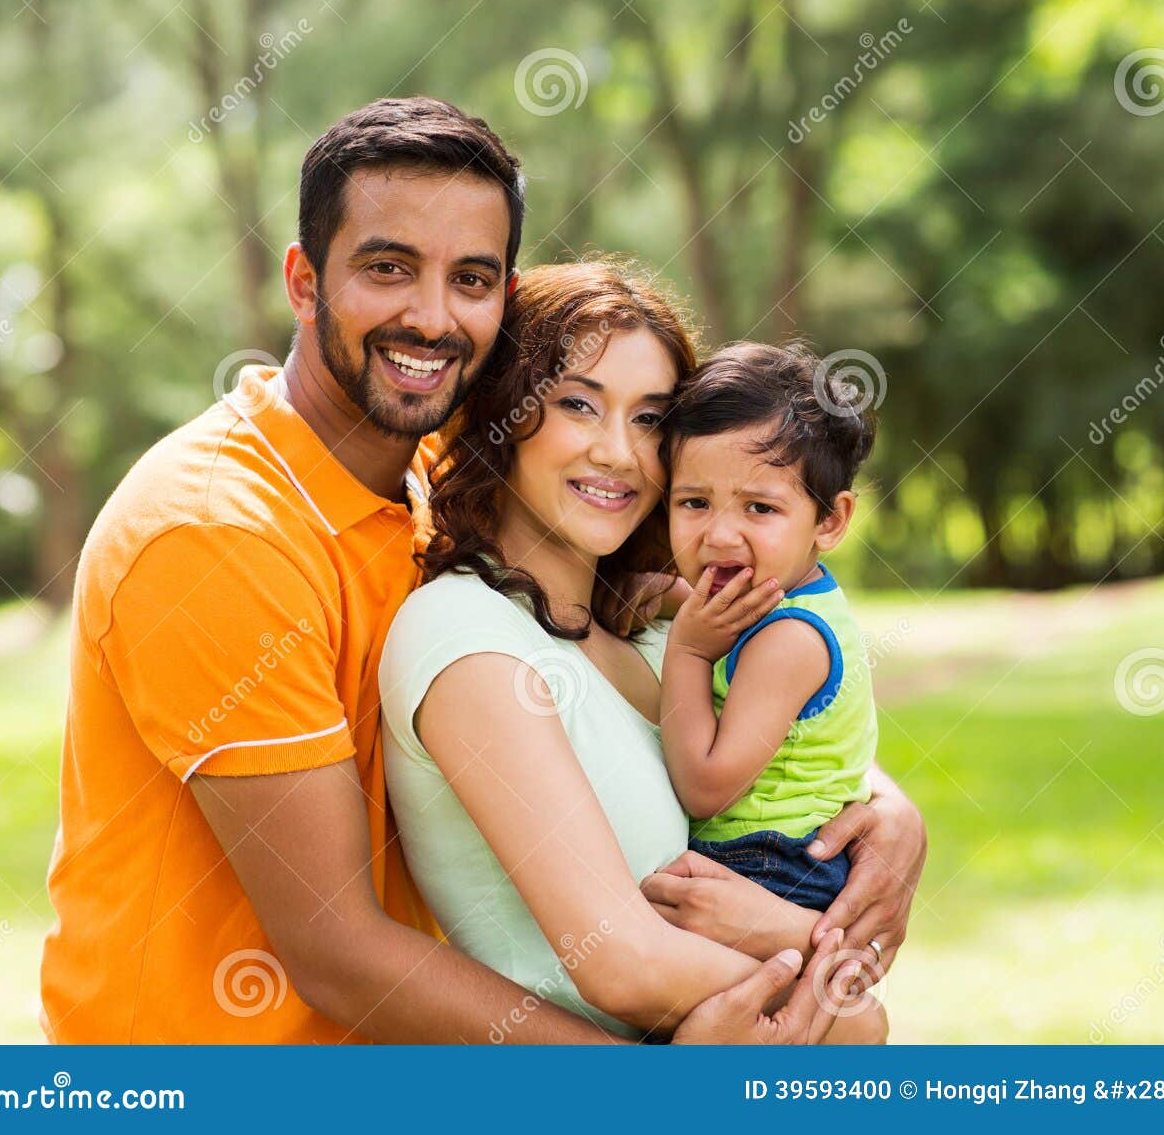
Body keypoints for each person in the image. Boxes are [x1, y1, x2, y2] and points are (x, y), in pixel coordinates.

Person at [40, 96, 878, 1044]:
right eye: (388, 267)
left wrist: (885, 817)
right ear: (304, 281)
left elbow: (740, 711)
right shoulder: (212, 533)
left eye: (472, 278)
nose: (432, 315)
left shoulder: (442, 492)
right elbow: (335, 949)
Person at [380, 262, 889, 1040]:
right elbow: (623, 964)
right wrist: (836, 980)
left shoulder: (653, 627)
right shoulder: (464, 635)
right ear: (505, 416)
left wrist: (892, 813)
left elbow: (796, 752)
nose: (619, 452)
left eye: (651, 420)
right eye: (579, 405)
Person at [657, 343, 878, 914]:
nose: (720, 535)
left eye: (759, 508)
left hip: (772, 869)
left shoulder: (788, 641)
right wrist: (660, 596)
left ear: (830, 521)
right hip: (780, 862)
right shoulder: (780, 598)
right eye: (694, 502)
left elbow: (705, 787)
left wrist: (686, 652)